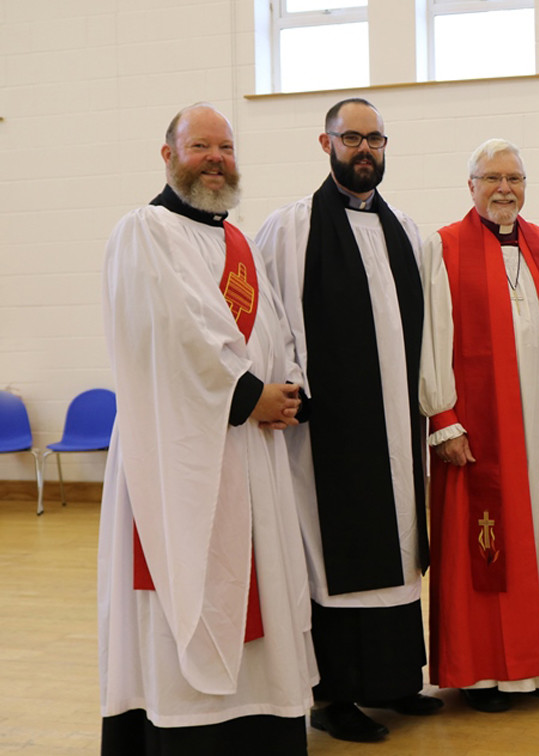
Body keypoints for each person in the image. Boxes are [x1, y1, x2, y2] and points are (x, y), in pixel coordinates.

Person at [98, 103, 316, 754]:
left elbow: (272, 330)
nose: (216, 157)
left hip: (251, 455)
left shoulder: (238, 241)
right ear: (168, 156)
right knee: (187, 584)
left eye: (225, 146)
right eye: (200, 146)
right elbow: (172, 336)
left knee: (259, 591)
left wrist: (290, 391)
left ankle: (259, 725)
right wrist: (251, 396)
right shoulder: (145, 232)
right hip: (178, 457)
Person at [254, 97, 440, 743]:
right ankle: (333, 698)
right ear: (326, 143)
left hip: (395, 423)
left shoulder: (407, 232)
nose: (365, 150)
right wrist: (293, 385)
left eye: (375, 140)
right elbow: (269, 317)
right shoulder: (293, 228)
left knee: (396, 549)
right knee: (338, 555)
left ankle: (395, 680)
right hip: (329, 427)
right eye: (352, 138)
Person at [420, 139, 539, 713]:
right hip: (479, 431)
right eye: (492, 178)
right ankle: (485, 672)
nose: (504, 188)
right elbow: (431, 340)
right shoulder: (444, 247)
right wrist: (445, 418)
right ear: (470, 185)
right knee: (485, 545)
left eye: (514, 177)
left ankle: (533, 665)